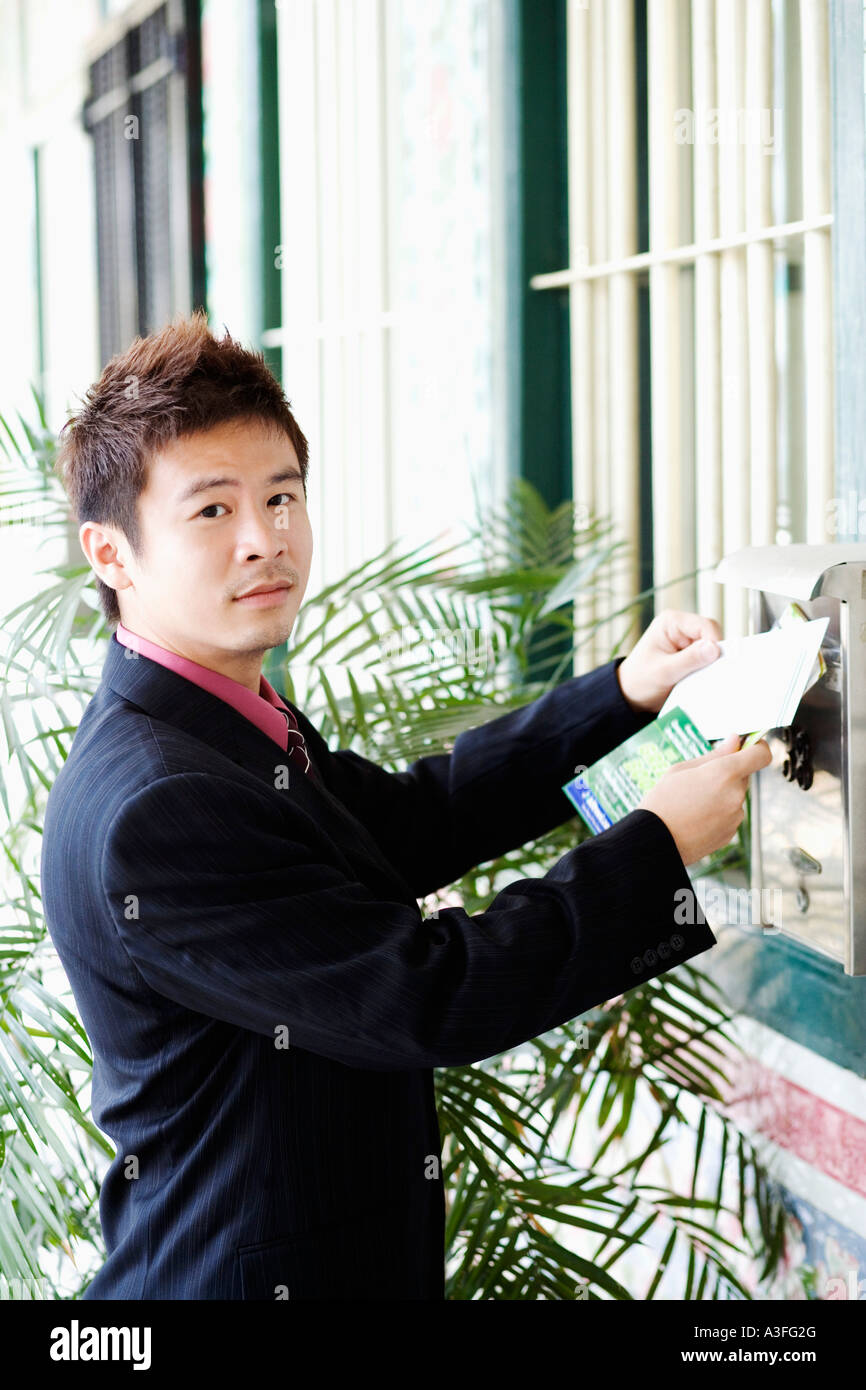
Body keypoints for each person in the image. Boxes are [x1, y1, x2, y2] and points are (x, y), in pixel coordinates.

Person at [40, 311, 771, 1299]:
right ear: (112, 554)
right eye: (212, 511)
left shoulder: (212, 714)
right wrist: (656, 850)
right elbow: (427, 994)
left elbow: (407, 821)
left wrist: (620, 693)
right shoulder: (159, 801)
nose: (266, 540)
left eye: (282, 496)